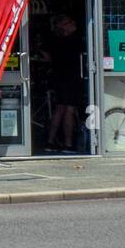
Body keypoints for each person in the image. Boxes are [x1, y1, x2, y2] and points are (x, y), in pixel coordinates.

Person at [43, 13, 85, 151]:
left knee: (60, 109)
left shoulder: (54, 40)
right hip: (72, 78)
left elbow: (45, 54)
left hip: (59, 77)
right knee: (69, 110)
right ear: (64, 25)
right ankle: (68, 143)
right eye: (69, 22)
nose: (73, 24)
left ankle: (50, 141)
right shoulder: (76, 40)